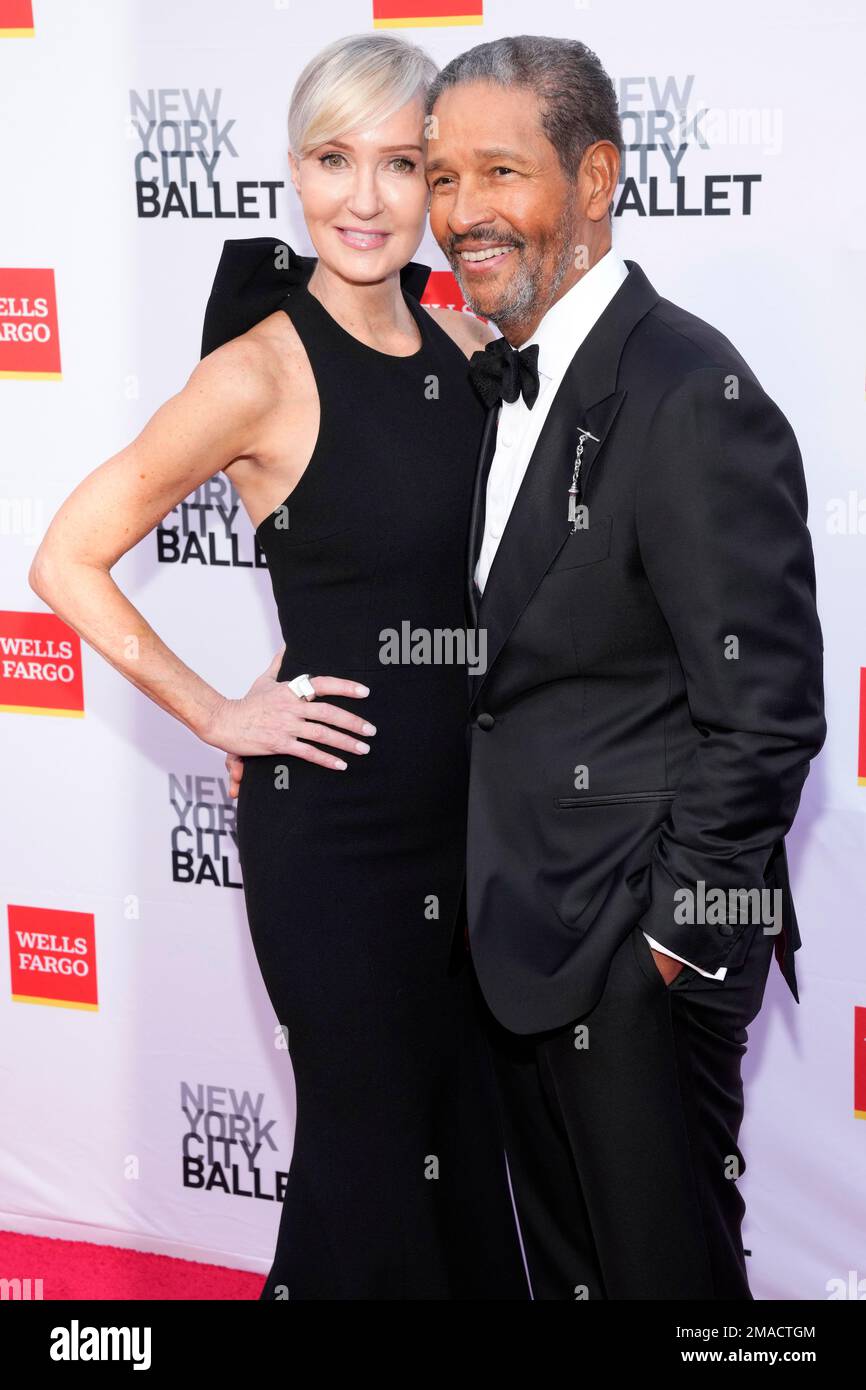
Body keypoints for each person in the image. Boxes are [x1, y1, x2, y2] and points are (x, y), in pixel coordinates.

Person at [28, 33, 529, 1301]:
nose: (364, 198)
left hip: (468, 828)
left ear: (438, 181)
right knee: (365, 1176)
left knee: (457, 1158)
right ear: (294, 170)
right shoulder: (256, 368)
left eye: (400, 164)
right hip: (341, 839)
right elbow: (66, 559)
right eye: (332, 160)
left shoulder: (457, 338)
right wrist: (218, 711)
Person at [425, 34, 826, 1299]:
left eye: (499, 171)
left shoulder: (687, 390)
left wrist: (661, 946)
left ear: (593, 179)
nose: (460, 213)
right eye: (440, 177)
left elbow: (764, 711)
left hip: (630, 955)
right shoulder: (497, 382)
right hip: (517, 934)